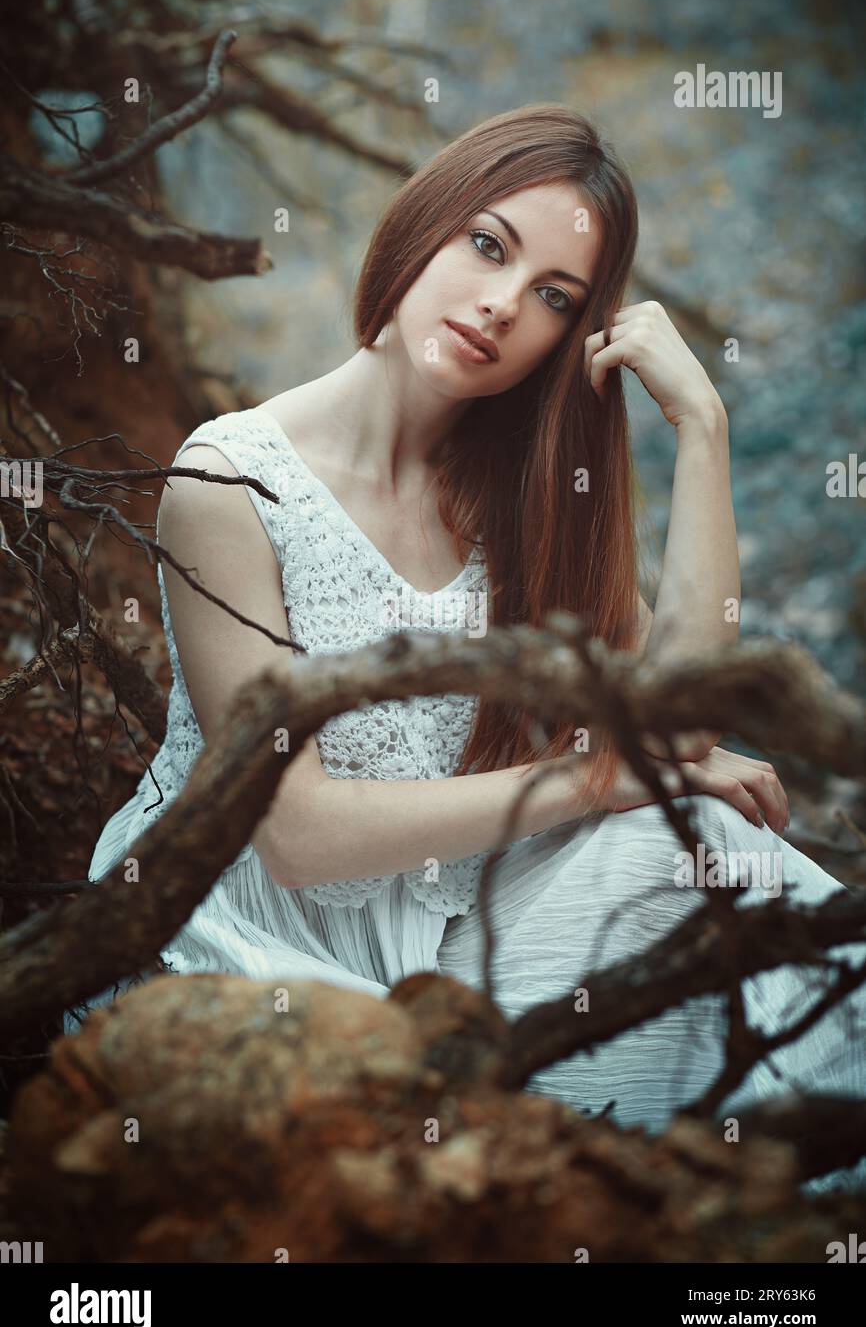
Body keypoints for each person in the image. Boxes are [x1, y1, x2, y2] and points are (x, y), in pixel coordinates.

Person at [65, 104, 865, 1196]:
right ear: (422, 224)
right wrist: (589, 781)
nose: (501, 305)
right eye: (487, 245)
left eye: (553, 297)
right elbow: (292, 834)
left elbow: (675, 729)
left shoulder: (519, 493)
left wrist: (701, 431)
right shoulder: (231, 480)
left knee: (723, 854)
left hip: (444, 922)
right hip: (247, 935)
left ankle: (800, 1198)